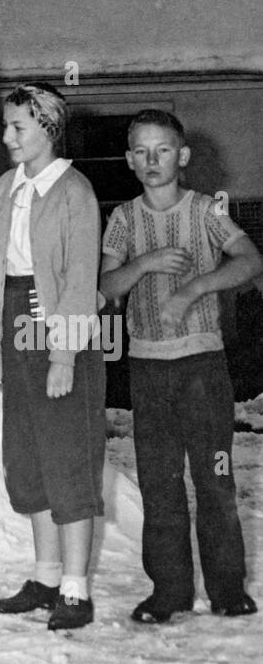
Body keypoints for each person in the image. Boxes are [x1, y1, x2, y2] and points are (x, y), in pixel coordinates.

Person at [99, 109, 261, 623]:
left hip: (203, 370)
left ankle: (227, 589)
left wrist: (195, 287)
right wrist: (145, 264)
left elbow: (251, 261)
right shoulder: (123, 219)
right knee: (160, 482)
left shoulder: (208, 211)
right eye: (141, 151)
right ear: (129, 160)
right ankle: (168, 591)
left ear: (183, 156)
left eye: (162, 150)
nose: (152, 160)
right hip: (149, 373)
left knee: (213, 477)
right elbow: (105, 289)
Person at [0, 82, 105, 631]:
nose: (7, 137)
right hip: (14, 316)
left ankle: (76, 591)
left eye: (18, 127)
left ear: (48, 128)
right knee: (28, 454)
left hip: (57, 326)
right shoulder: (6, 187)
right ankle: (46, 577)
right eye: (6, 126)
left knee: (67, 454)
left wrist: (63, 355)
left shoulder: (75, 191)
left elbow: (80, 280)